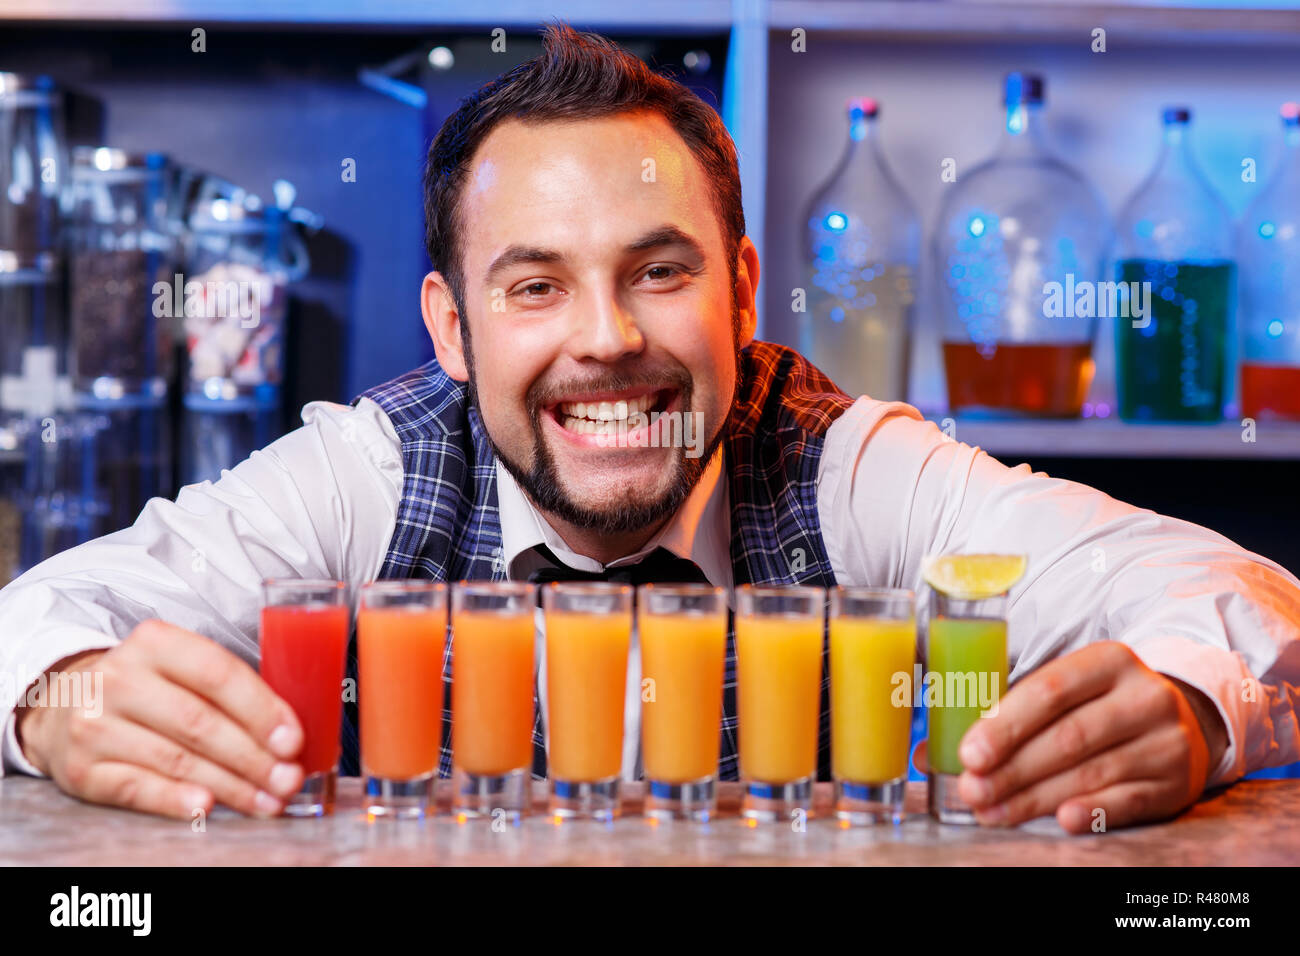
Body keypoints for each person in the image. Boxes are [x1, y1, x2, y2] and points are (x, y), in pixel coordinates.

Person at [3, 24, 1298, 832]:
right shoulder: (370, 472)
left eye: (660, 272)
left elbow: (1239, 592)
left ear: (740, 291)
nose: (608, 334)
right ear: (452, 331)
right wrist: (59, 695)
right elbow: (40, 617)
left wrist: (1190, 702)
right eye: (536, 284)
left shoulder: (843, 469)